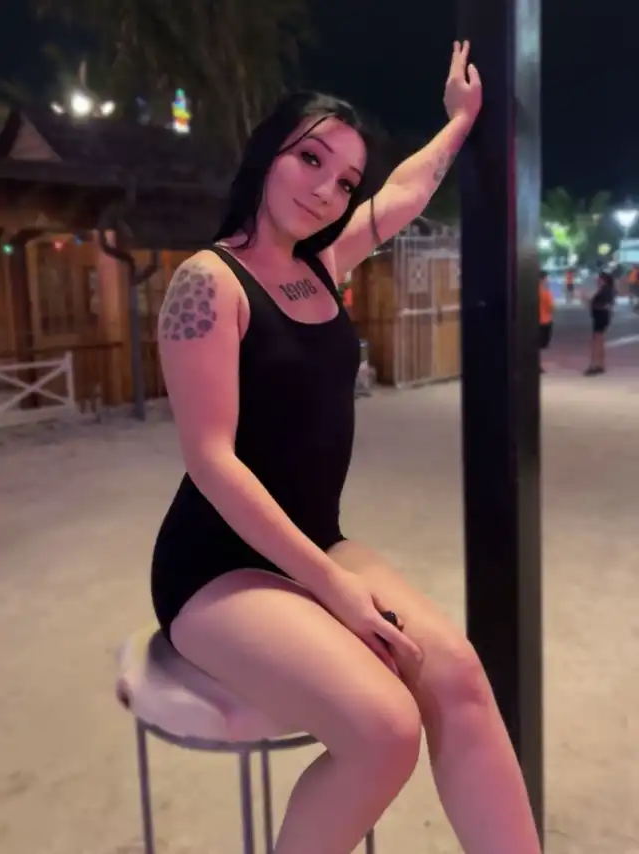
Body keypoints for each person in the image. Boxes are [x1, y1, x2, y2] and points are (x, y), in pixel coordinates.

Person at [152, 41, 542, 854]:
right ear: (268, 152)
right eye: (311, 159)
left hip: (317, 539)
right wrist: (334, 589)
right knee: (384, 728)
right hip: (215, 567)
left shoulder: (323, 265)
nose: (327, 189)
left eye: (344, 181)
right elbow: (211, 461)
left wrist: (459, 121)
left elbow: (403, 192)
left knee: (460, 679)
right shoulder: (208, 283)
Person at [584, 270, 615, 375]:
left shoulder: (603, 290)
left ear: (603, 280)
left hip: (599, 318)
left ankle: (594, 365)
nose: (597, 281)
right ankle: (601, 364)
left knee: (596, 342)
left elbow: (594, 303)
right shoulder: (609, 290)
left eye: (599, 279)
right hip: (603, 317)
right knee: (600, 341)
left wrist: (587, 300)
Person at [539, 270, 554, 373]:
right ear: (543, 279)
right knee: (541, 345)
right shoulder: (546, 292)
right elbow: (551, 308)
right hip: (544, 321)